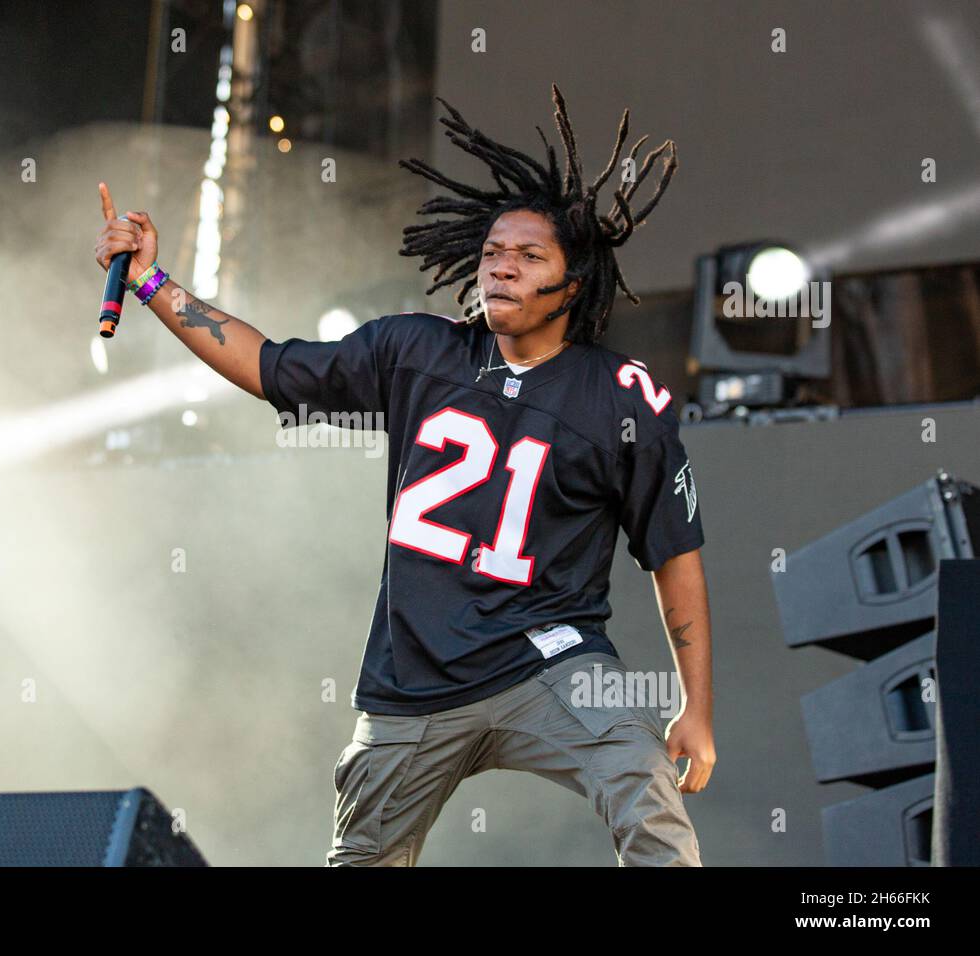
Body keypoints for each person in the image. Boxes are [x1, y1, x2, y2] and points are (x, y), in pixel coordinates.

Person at [94, 83, 715, 867]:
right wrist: (153, 283)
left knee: (644, 782)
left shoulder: (620, 395)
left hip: (549, 659)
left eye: (529, 257)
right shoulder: (415, 350)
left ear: (575, 281)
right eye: (492, 254)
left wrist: (696, 705)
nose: (502, 269)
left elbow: (674, 555)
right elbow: (267, 366)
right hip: (414, 678)